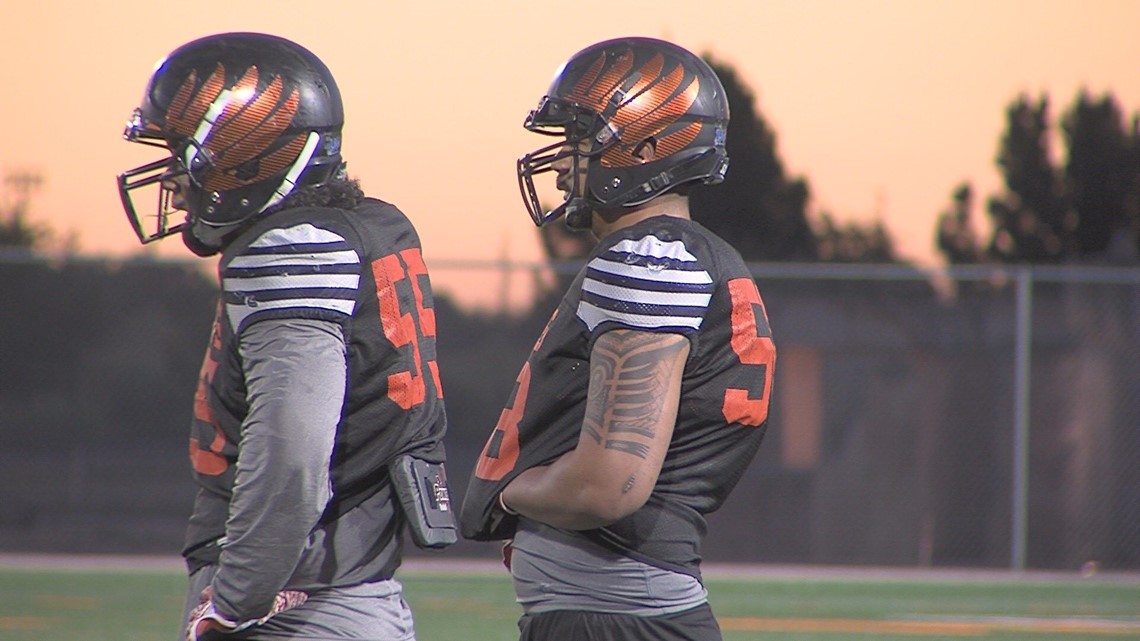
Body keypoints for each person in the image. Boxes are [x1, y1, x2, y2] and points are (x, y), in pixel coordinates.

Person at [117, 32, 455, 640]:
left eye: (181, 154)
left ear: (241, 155)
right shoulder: (366, 227)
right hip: (357, 588)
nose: (171, 180)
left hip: (299, 605)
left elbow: (292, 452)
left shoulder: (291, 247)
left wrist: (235, 601)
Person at [460, 36, 777, 640]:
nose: (559, 165)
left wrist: (510, 496)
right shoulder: (695, 258)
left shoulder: (648, 259)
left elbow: (610, 486)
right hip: (625, 608)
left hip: (612, 614)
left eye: (579, 142)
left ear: (647, 145)